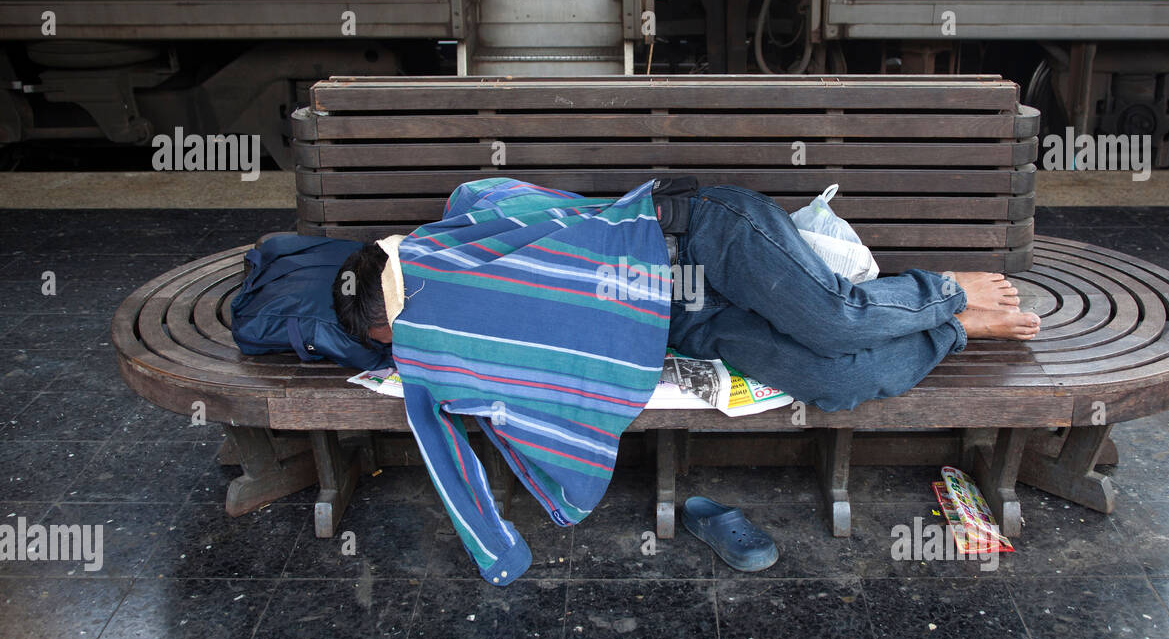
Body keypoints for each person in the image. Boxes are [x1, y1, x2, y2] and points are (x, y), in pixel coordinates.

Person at [332, 177, 1039, 585]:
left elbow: (481, 191)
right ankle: (956, 327)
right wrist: (499, 553)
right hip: (681, 325)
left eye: (401, 331)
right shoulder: (437, 344)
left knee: (832, 321)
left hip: (701, 235)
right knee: (832, 381)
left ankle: (946, 291)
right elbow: (445, 439)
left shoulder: (471, 230)